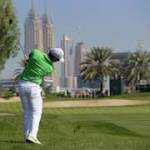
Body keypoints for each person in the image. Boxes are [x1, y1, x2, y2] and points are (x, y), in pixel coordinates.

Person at [18, 48, 64, 145]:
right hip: (34, 88)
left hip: (22, 85)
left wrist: (28, 61)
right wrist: (29, 62)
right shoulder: (50, 68)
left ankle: (27, 136)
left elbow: (31, 56)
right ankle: (32, 136)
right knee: (36, 113)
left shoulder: (36, 53)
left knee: (27, 112)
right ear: (55, 60)